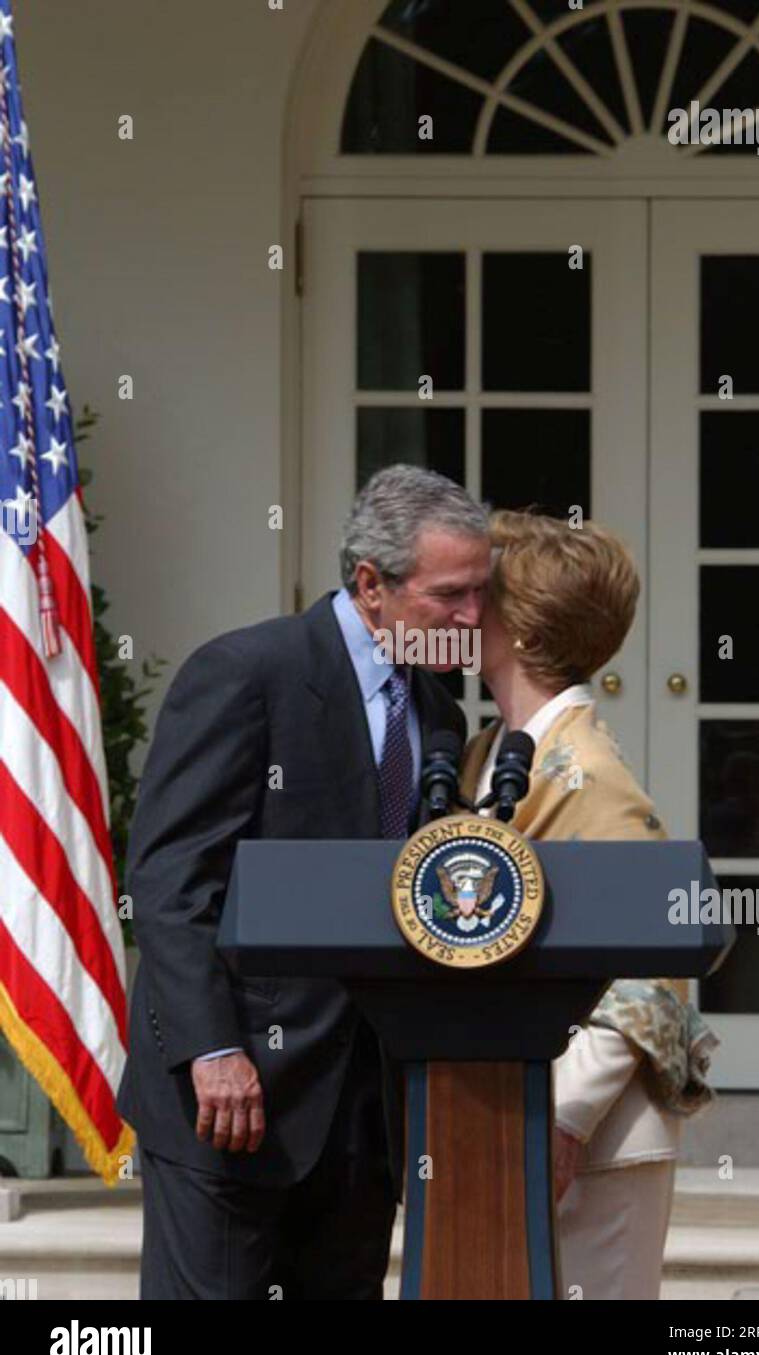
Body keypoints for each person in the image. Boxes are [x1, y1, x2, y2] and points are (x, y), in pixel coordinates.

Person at [118, 464, 492, 1299]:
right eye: (451, 595)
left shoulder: (438, 712)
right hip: (233, 1094)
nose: (472, 617)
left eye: (481, 593)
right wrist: (212, 1049)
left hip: (363, 1115)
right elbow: (171, 879)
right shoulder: (249, 672)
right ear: (371, 584)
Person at [461, 509, 720, 1301]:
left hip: (594, 1141)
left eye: (482, 595)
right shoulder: (488, 751)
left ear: (518, 624)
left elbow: (652, 964)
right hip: (516, 1115)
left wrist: (563, 1120)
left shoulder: (589, 770)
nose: (463, 612)